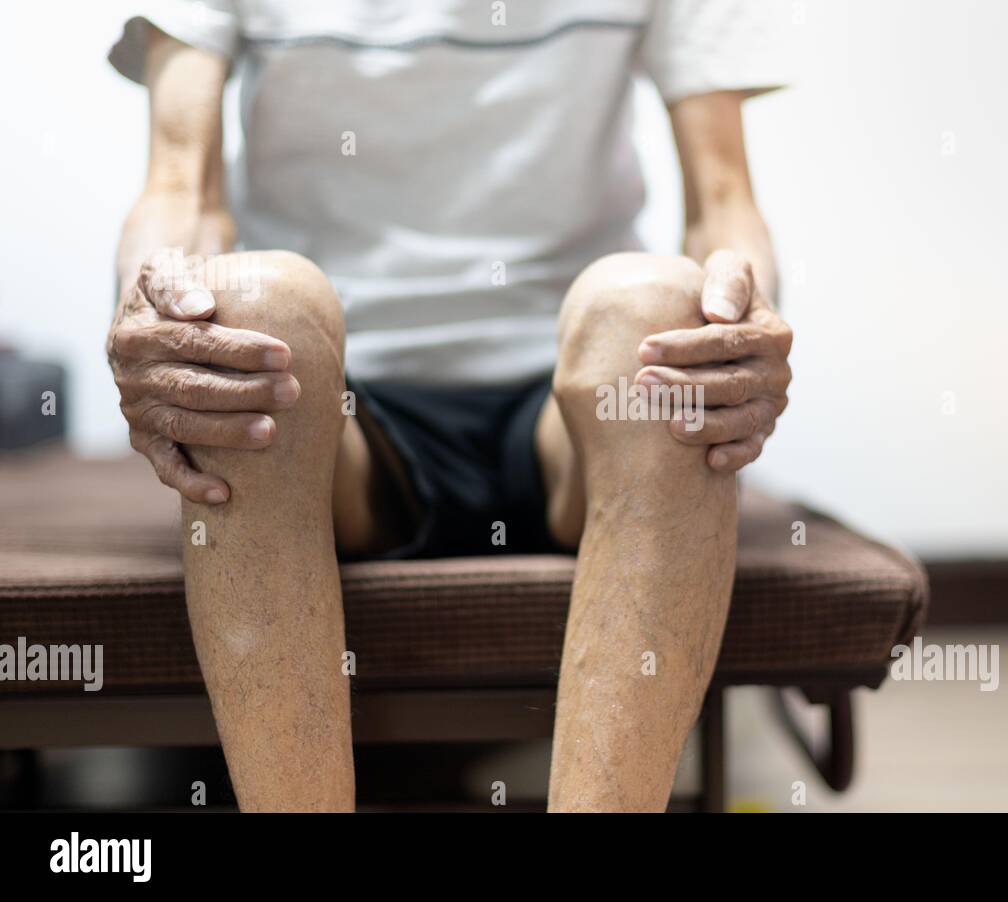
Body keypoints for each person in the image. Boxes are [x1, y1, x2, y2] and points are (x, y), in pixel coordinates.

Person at [105, 0, 793, 812]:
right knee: (253, 303)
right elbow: (180, 190)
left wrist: (739, 323)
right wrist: (151, 314)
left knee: (659, 305)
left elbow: (723, 202)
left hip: (574, 403)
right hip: (341, 406)